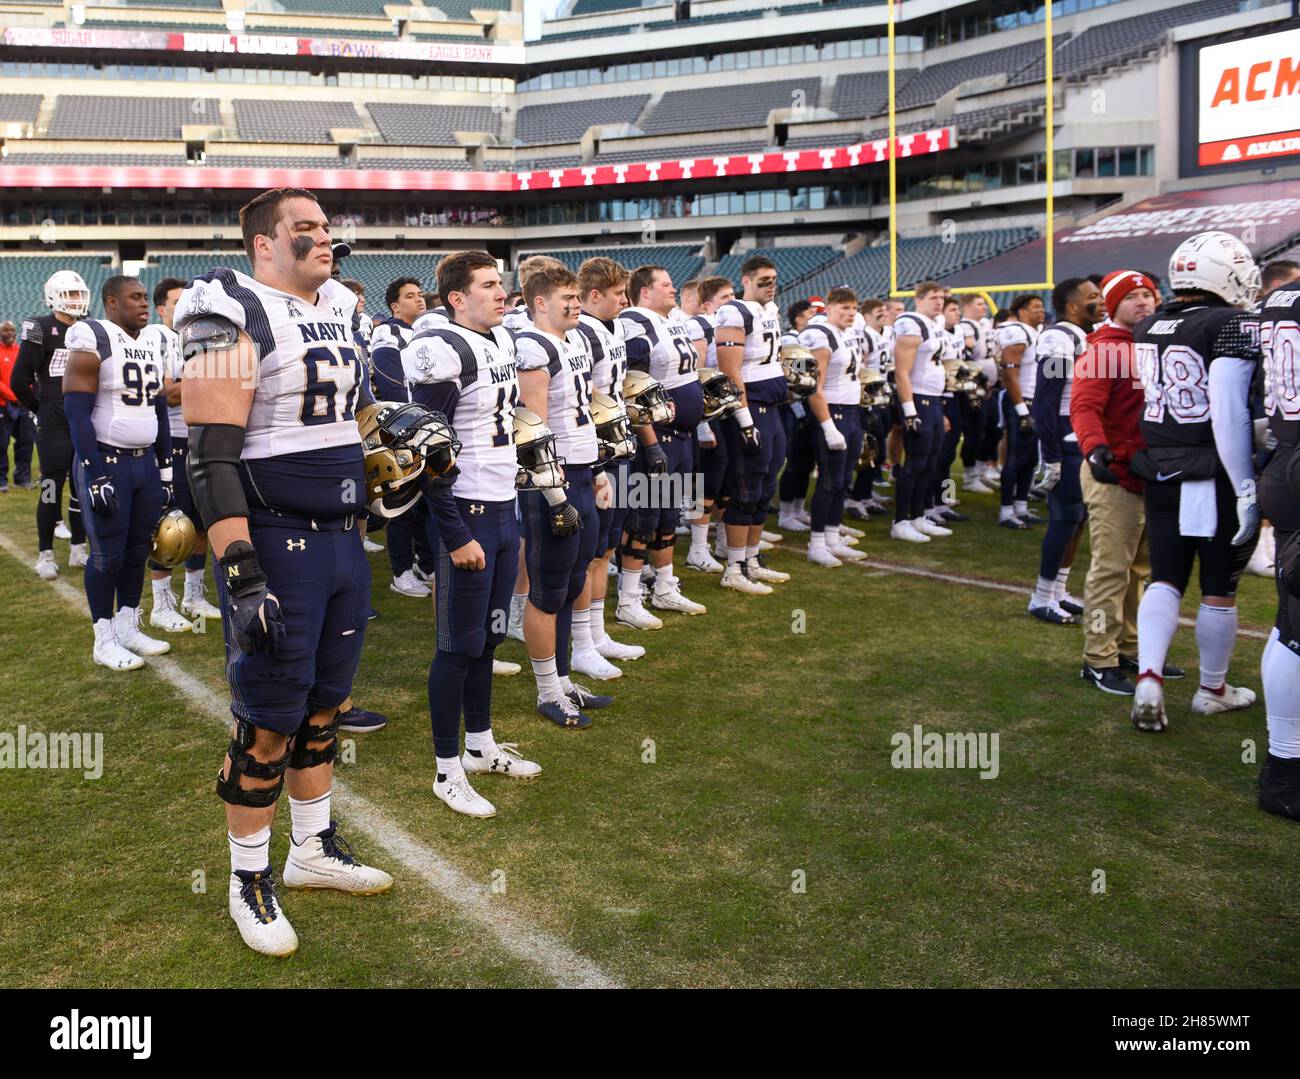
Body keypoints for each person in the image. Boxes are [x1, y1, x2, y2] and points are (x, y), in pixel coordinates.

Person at [176, 187, 392, 957]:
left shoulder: (336, 304)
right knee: (267, 720)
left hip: (340, 537)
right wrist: (240, 568)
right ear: (263, 243)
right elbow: (211, 454)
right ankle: (247, 878)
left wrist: (391, 449)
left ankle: (312, 848)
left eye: (327, 227)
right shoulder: (226, 304)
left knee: (325, 707)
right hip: (276, 538)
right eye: (305, 229)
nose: (324, 238)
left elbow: (351, 418)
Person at [402, 249, 543, 816]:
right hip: (469, 512)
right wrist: (455, 533)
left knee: (487, 638)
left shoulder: (504, 340)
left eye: (500, 282)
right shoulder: (441, 350)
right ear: (457, 298)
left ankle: (481, 746)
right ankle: (446, 769)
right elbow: (427, 450)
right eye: (487, 285)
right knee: (457, 646)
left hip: (504, 504)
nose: (501, 291)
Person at [1129, 231, 1263, 732]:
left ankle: (1148, 676)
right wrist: (1246, 483)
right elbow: (1228, 412)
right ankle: (1212, 689)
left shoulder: (1149, 324)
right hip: (1210, 469)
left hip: (1159, 466)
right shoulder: (1229, 322)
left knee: (1165, 576)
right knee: (1217, 588)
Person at [515, 264, 617, 720]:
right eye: (566, 299)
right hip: (551, 482)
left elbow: (584, 407)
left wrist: (596, 468)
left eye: (578, 297)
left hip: (580, 469)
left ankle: (562, 679)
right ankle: (546, 691)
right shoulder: (533, 347)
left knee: (576, 576)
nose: (576, 305)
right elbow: (532, 428)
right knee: (548, 588)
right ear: (540, 303)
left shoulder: (572, 339)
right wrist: (554, 491)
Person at [64, 276, 173, 670]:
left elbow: (159, 409)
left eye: (146, 297)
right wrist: (93, 472)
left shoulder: (150, 341)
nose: (144, 304)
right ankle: (103, 638)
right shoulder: (92, 336)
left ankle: (128, 626)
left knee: (136, 551)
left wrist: (164, 469)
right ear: (112, 302)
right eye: (135, 297)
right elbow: (76, 411)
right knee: (107, 555)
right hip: (108, 461)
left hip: (143, 462)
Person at [1071, 271, 1163, 694]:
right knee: (1110, 570)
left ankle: (1128, 646)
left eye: (1149, 294)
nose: (1144, 302)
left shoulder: (1150, 342)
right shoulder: (1105, 350)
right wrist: (1095, 449)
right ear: (1112, 304)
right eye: (1133, 296)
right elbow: (1084, 407)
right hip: (1114, 473)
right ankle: (1098, 658)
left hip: (1147, 471)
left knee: (1138, 569)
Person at [618, 265, 710, 617]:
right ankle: (628, 597)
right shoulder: (635, 323)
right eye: (666, 284)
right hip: (659, 435)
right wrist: (650, 440)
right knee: (644, 517)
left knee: (669, 517)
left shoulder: (672, 320)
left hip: (683, 434)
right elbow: (632, 385)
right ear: (644, 290)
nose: (673, 290)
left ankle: (664, 586)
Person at [574, 256, 646, 666]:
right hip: (593, 452)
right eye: (618, 294)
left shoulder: (613, 325)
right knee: (589, 551)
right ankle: (582, 641)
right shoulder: (581, 332)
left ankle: (597, 634)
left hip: (617, 446)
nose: (624, 300)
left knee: (605, 548)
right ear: (595, 294)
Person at [140, 277, 222, 632]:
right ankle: (161, 604)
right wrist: (203, 378)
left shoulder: (196, 338)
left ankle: (193, 595)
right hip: (168, 442)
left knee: (201, 522)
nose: (184, 308)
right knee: (169, 523)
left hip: (198, 440)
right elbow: (164, 393)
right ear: (161, 309)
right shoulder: (155, 338)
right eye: (176, 301)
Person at [1027, 277, 1102, 624]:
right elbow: (1045, 400)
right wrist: (1052, 454)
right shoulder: (1059, 337)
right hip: (1067, 433)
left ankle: (1059, 589)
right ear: (1072, 306)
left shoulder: (1090, 335)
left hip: (1084, 433)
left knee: (1080, 518)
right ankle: (1041, 597)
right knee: (1065, 517)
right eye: (1092, 297)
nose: (1099, 301)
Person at [714, 255, 790, 592]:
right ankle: (734, 567)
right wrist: (744, 419)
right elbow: (731, 371)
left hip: (772, 406)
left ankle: (752, 559)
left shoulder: (769, 310)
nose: (771, 285)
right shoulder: (735, 312)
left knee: (766, 487)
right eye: (763, 280)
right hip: (752, 406)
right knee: (746, 488)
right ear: (746, 281)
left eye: (774, 279)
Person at [1255, 261, 1300, 819]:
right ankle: (1284, 771)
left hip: (1283, 458)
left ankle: (1285, 763)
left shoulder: (1278, 302)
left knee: (1288, 621)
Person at [12, 270, 91, 577]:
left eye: (78, 294)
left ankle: (78, 548)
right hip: (54, 426)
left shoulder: (87, 329)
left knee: (82, 489)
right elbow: (19, 380)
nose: (76, 300)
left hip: (83, 422)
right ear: (54, 297)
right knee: (50, 488)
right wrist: (42, 409)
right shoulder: (40, 327)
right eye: (70, 294)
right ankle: (45, 554)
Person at [369, 276, 440, 599]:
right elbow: (389, 378)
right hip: (405, 427)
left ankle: (425, 563)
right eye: (410, 296)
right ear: (395, 306)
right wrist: (413, 414)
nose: (419, 299)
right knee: (403, 503)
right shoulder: (388, 331)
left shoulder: (429, 329)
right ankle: (400, 572)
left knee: (428, 500)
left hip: (428, 424)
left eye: (420, 294)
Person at [799, 287, 865, 566]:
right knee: (830, 481)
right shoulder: (820, 335)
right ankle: (816, 544)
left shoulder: (846, 334)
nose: (850, 313)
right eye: (843, 308)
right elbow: (814, 386)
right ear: (829, 307)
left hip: (851, 411)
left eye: (853, 308)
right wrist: (827, 425)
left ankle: (833, 536)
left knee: (844, 480)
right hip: (832, 412)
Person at [889, 282, 950, 544]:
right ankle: (900, 520)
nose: (939, 302)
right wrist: (909, 410)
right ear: (919, 299)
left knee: (931, 462)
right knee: (915, 462)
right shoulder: (910, 323)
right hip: (919, 398)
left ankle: (919, 516)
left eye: (941, 298)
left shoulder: (935, 324)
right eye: (933, 297)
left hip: (934, 399)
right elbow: (901, 372)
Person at [996, 293, 1046, 529]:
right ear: (1022, 311)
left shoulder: (1036, 332)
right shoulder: (1017, 331)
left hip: (1033, 400)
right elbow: (1009, 374)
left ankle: (1021, 506)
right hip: (1020, 400)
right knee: (1015, 458)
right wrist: (1021, 409)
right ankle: (1006, 511)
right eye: (1036, 307)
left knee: (1030, 458)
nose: (1041, 311)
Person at [0, 320, 35, 492]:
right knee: (1, 443)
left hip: (23, 405)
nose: (9, 333)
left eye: (12, 330)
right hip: (4, 405)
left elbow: (28, 377)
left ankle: (22, 478)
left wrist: (25, 396)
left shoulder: (21, 352)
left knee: (26, 442)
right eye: (5, 330)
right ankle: (1, 481)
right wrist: (15, 396)